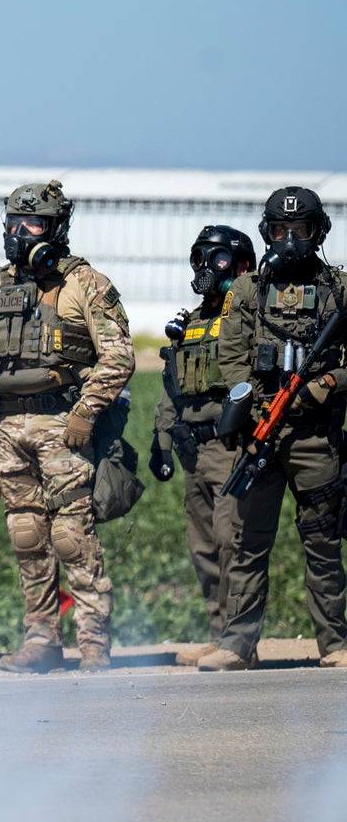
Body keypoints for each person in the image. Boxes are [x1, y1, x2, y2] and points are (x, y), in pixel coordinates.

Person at [0, 180, 134, 674]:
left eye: (31, 223)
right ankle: (41, 638)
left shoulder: (84, 283)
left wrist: (87, 411)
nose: (19, 232)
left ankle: (93, 644)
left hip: (62, 424)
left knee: (72, 535)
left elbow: (118, 355)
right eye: (12, 222)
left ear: (55, 228)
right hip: (6, 427)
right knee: (27, 535)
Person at [208, 186, 347, 671]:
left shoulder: (339, 289)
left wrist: (326, 383)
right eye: (281, 231)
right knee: (247, 543)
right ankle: (237, 645)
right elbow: (231, 356)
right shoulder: (248, 291)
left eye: (301, 230)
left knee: (323, 543)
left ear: (318, 232)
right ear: (268, 233)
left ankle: (335, 645)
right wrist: (253, 400)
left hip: (314, 437)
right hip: (262, 433)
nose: (291, 241)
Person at [148, 225, 256, 666]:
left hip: (231, 447)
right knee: (204, 548)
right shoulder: (191, 323)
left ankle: (240, 644)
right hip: (193, 450)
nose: (206, 268)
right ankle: (219, 635)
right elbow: (173, 387)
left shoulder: (246, 320)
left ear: (242, 265)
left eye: (218, 258)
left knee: (235, 546)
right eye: (199, 258)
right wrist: (161, 441)